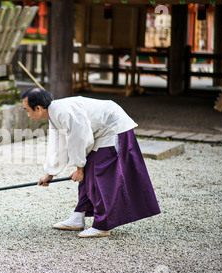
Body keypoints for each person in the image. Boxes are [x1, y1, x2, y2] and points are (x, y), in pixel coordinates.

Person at [21, 87, 161, 238]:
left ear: (38, 108)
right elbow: (59, 146)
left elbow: (79, 139)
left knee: (100, 174)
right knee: (88, 172)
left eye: (27, 110)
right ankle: (78, 217)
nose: (28, 115)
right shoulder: (55, 113)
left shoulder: (64, 111)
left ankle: (103, 225)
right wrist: (50, 173)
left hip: (113, 127)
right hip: (100, 131)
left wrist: (80, 169)